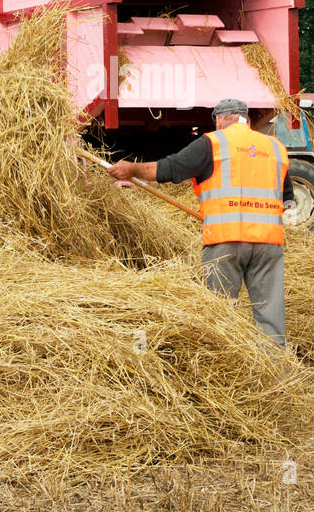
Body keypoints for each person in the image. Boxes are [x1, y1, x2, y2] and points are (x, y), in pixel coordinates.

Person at [107, 99, 295, 345]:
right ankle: (277, 373)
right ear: (246, 119)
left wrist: (132, 170)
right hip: (269, 244)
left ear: (219, 120)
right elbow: (287, 198)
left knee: (221, 314)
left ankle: (227, 369)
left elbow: (170, 169)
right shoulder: (275, 148)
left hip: (225, 243)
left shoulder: (214, 142)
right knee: (270, 316)